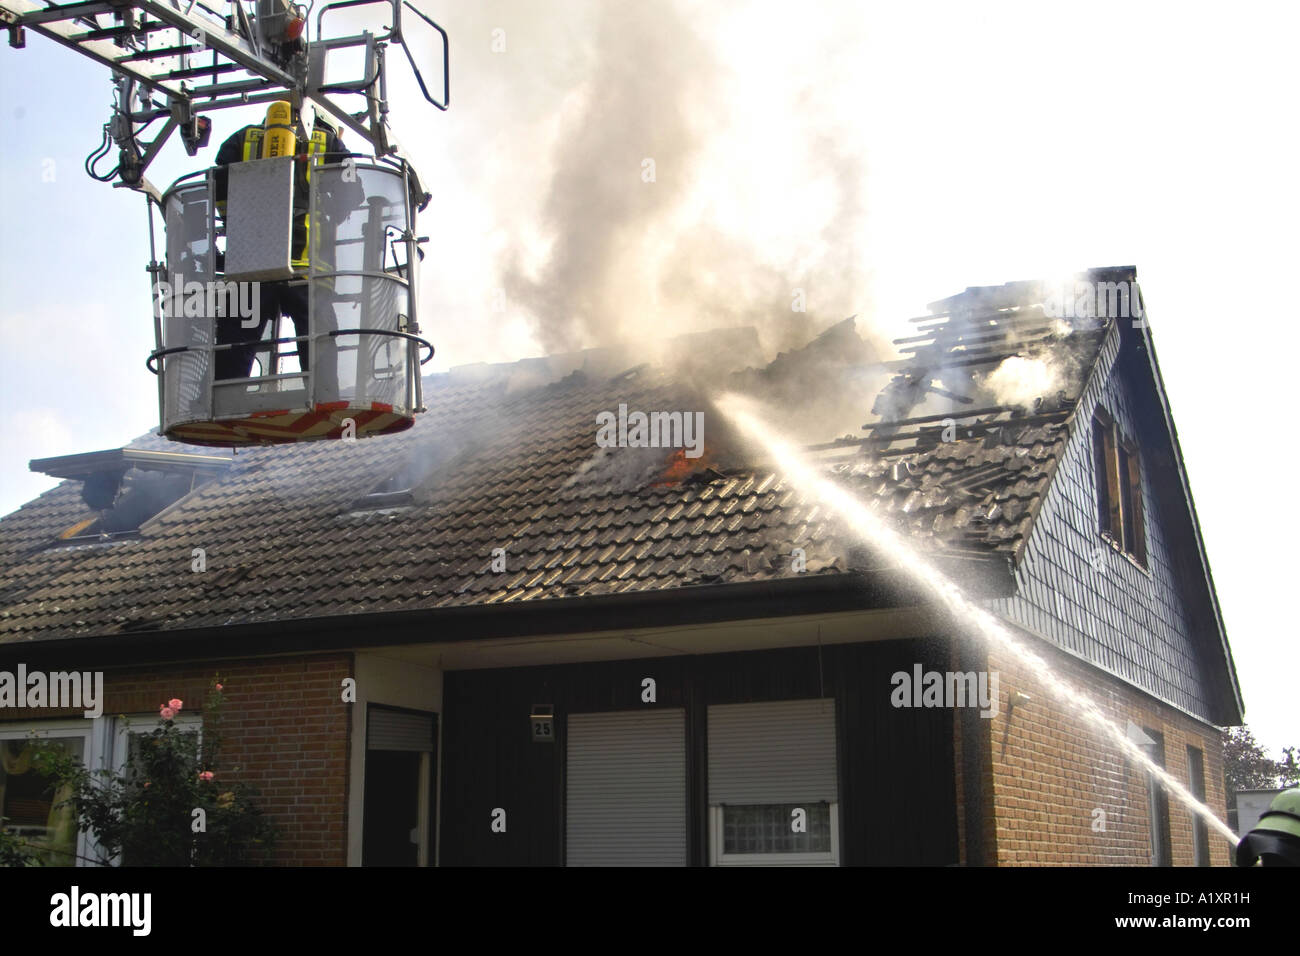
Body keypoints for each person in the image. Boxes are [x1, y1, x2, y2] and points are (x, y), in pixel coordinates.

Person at [211, 102, 359, 388]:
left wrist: (235, 225)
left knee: (236, 341)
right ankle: (324, 393)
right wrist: (329, 213)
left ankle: (226, 397)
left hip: (250, 266)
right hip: (308, 267)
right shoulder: (328, 142)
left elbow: (217, 187)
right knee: (317, 337)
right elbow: (352, 192)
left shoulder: (241, 139)